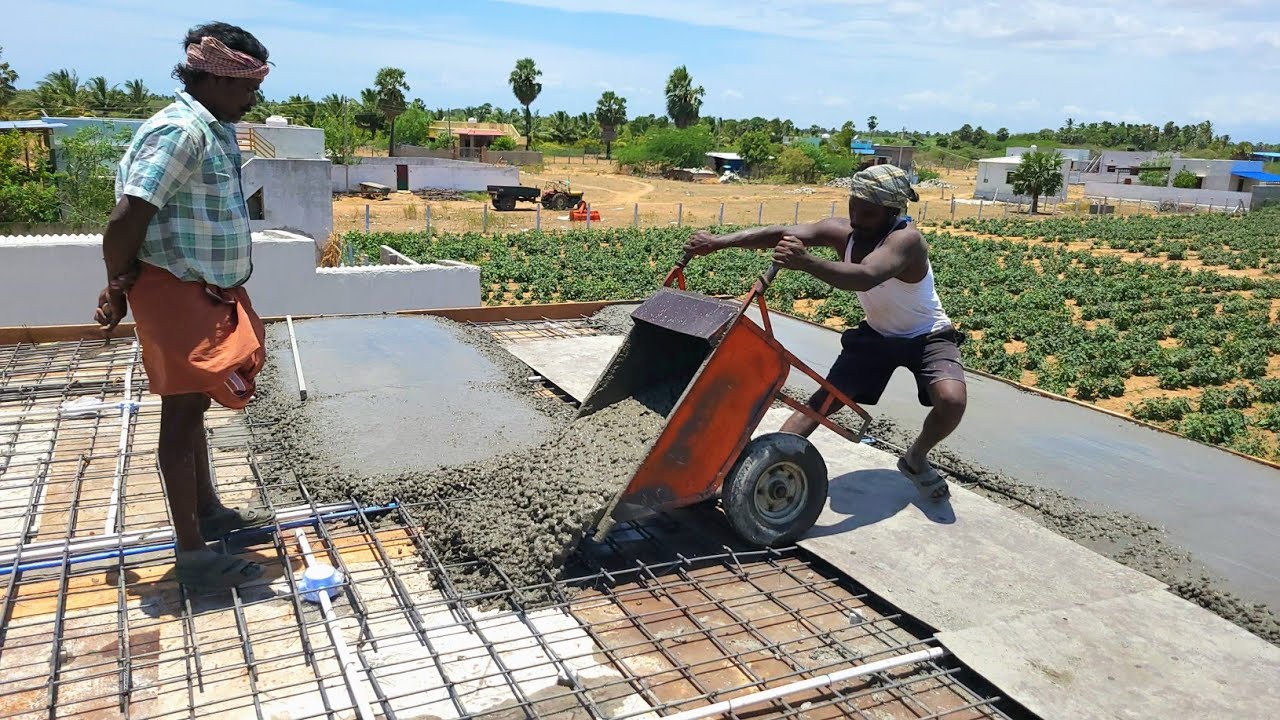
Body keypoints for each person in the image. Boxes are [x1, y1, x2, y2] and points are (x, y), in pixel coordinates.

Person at [94, 22, 275, 588]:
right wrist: (115, 287)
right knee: (180, 416)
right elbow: (128, 218)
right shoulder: (178, 131)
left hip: (201, 289)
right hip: (175, 290)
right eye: (245, 86)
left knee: (194, 406)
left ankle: (211, 511)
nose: (252, 98)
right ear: (212, 76)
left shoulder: (210, 126)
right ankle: (192, 552)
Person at [684, 164, 964, 501]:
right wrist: (717, 242)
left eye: (868, 213)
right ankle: (761, 467)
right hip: (876, 336)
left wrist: (807, 263)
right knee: (822, 402)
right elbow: (781, 234)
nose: (857, 218)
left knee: (951, 400)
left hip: (927, 336)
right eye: (853, 207)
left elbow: (865, 276)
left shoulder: (906, 241)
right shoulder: (842, 232)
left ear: (892, 212)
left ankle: (916, 458)